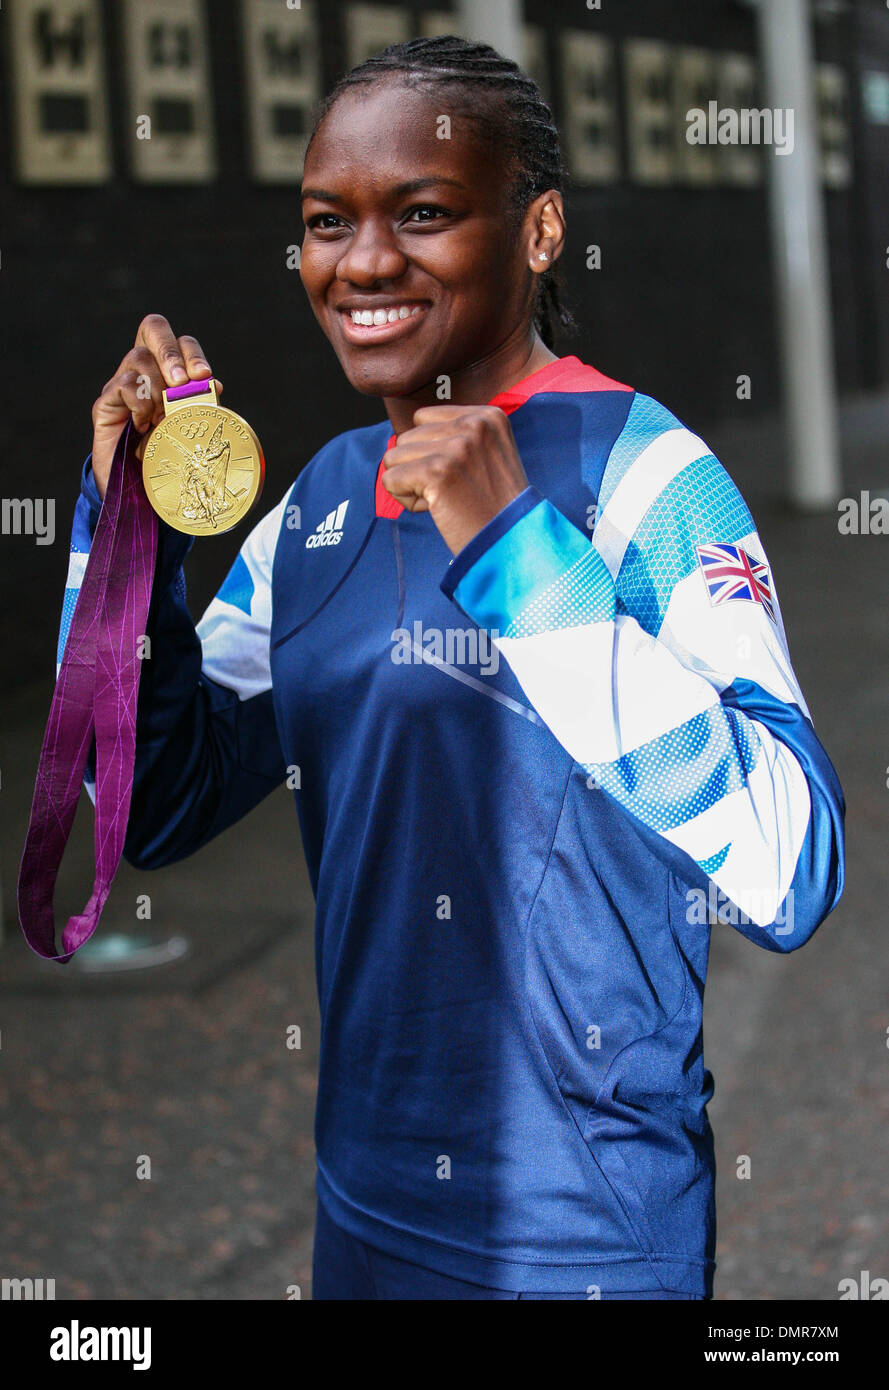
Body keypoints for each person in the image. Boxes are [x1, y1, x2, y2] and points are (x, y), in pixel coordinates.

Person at [68, 36, 844, 1299]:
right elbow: (148, 806)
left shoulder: (643, 477)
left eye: (422, 213)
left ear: (538, 232)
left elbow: (790, 863)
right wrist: (125, 551)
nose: (364, 262)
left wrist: (521, 556)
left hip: (585, 1235)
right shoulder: (320, 503)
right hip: (364, 1214)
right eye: (329, 221)